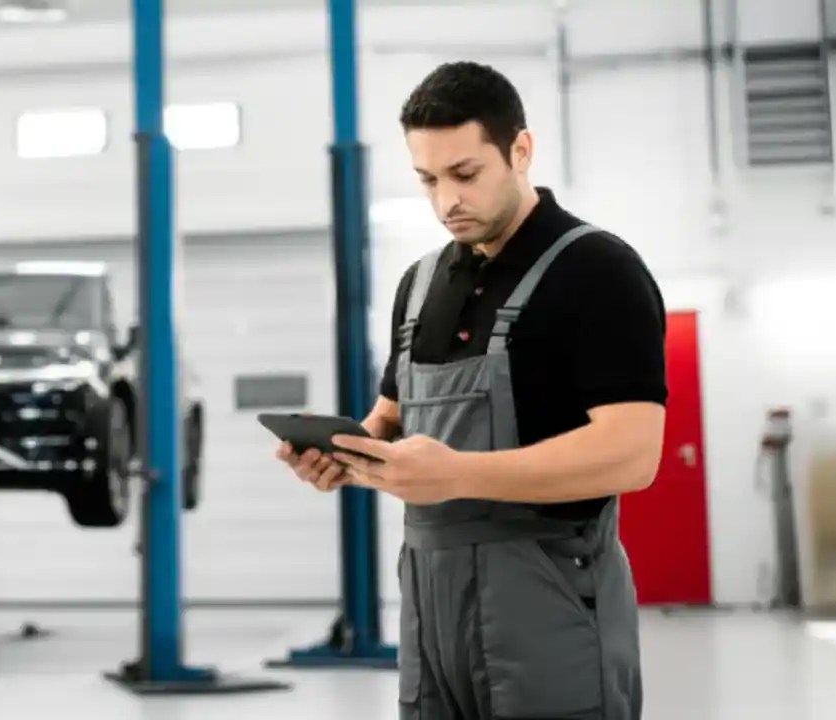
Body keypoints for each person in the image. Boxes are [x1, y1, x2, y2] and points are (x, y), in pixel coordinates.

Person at [276, 61, 667, 719]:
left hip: (550, 601)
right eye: (427, 180)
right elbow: (391, 418)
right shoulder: (421, 283)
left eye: (465, 174)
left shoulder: (597, 270)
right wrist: (347, 453)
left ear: (521, 150)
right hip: (430, 608)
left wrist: (457, 474)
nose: (445, 201)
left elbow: (634, 454)